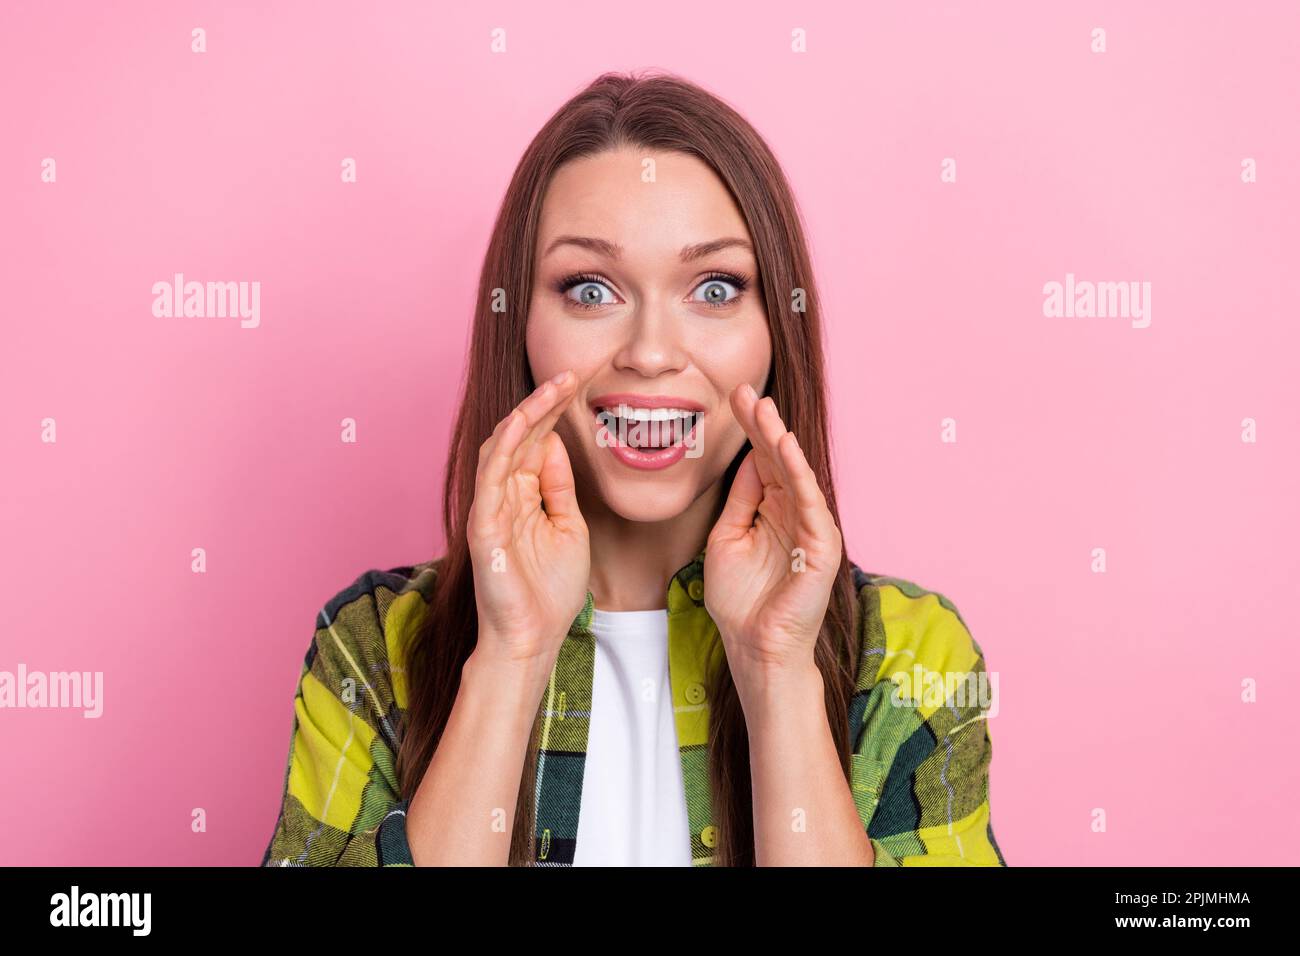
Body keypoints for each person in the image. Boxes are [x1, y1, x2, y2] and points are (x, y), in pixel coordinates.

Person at [262, 70, 1006, 867]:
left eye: (715, 288)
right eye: (590, 288)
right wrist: (510, 656)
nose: (651, 352)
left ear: (775, 335)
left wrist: (779, 675)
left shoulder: (911, 661)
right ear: (520, 328)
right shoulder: (374, 646)